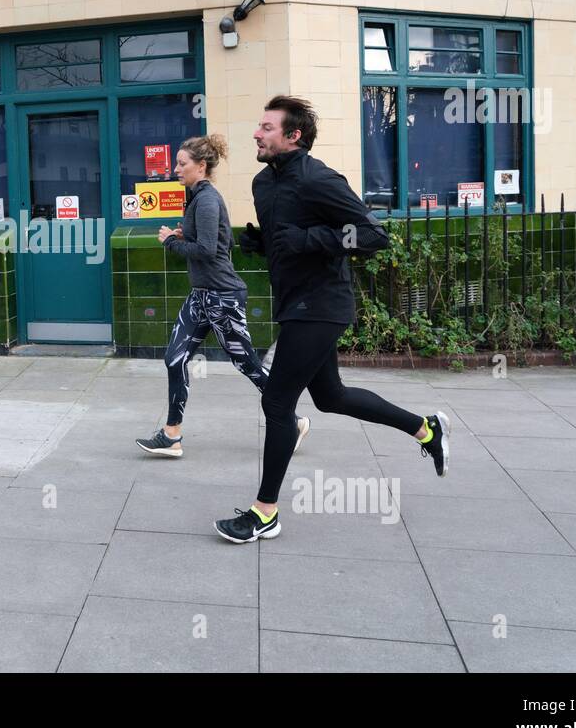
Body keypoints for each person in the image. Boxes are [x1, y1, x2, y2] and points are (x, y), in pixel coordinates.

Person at [215, 95, 449, 543]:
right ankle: (425, 428)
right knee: (330, 397)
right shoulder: (264, 184)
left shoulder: (318, 178)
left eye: (266, 127)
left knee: (277, 403)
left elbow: (373, 234)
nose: (256, 134)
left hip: (321, 304)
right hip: (295, 301)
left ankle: (264, 512)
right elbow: (289, 236)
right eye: (259, 127)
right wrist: (264, 243)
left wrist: (308, 239)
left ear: (292, 135)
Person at [135, 135, 309, 458]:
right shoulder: (197, 198)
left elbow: (208, 249)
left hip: (222, 297)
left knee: (247, 364)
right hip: (201, 296)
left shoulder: (207, 200)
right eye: (176, 163)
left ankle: (293, 420)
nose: (176, 169)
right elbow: (221, 240)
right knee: (174, 358)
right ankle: (172, 435)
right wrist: (184, 232)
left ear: (200, 167)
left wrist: (170, 242)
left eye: (182, 164)